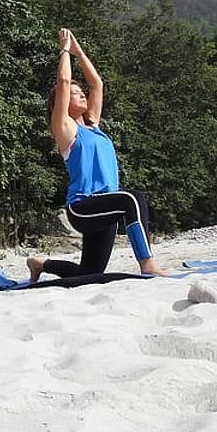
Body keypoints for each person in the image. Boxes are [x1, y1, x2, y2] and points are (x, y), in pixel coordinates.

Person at [26, 28, 164, 282]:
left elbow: (97, 83)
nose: (82, 95)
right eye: (75, 94)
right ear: (62, 102)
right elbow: (64, 83)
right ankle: (147, 263)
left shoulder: (93, 126)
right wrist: (65, 50)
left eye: (82, 93)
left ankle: (41, 263)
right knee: (133, 199)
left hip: (105, 205)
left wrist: (78, 51)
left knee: (89, 272)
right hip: (82, 206)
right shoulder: (65, 128)